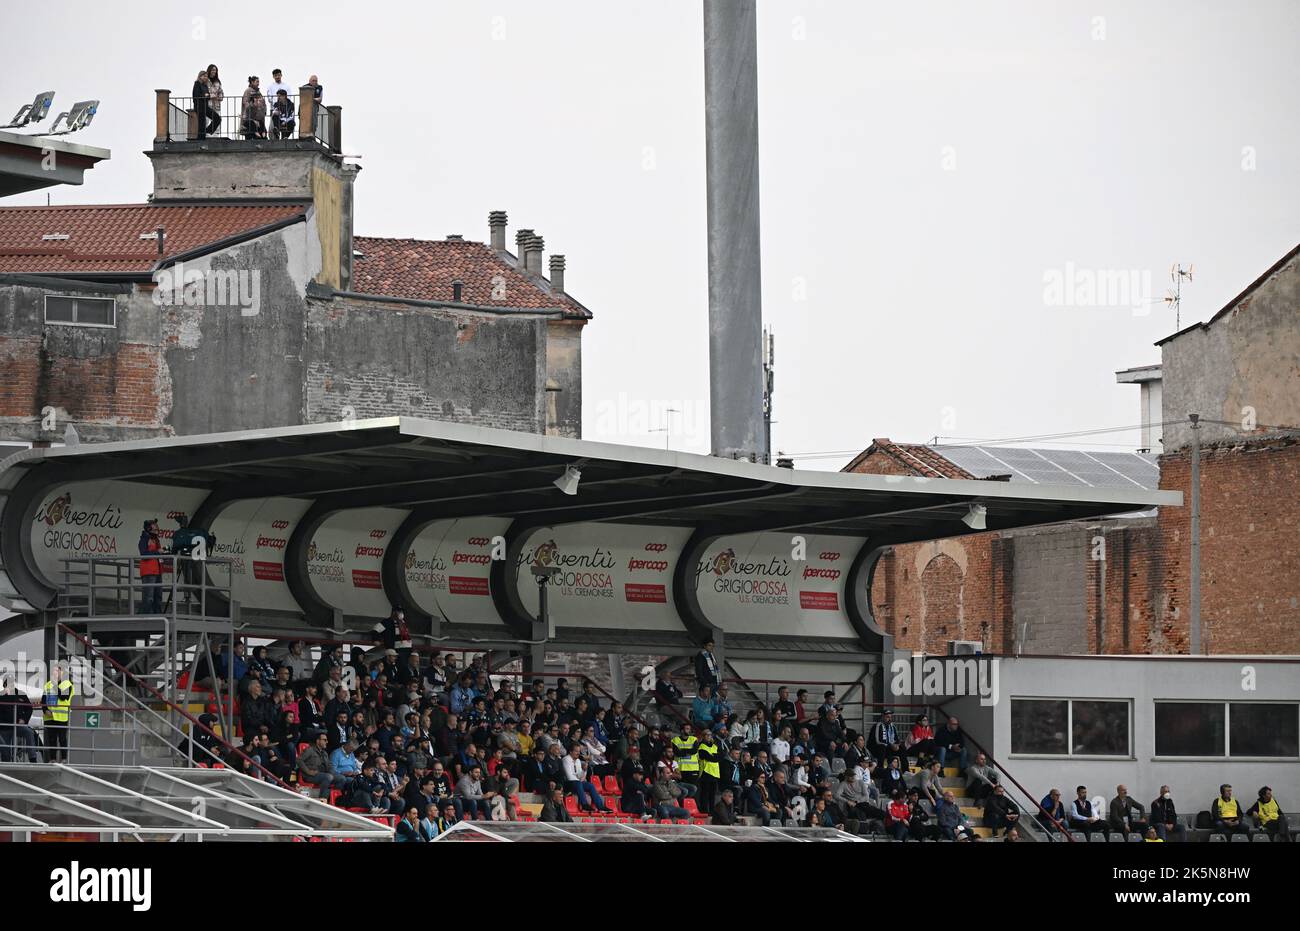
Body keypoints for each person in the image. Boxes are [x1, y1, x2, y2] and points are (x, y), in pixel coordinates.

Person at [42, 663, 74, 762]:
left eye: (56, 670)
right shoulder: (48, 684)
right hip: (49, 717)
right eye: (53, 671)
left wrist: (55, 685)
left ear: (61, 672)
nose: (54, 672)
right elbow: (43, 700)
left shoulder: (67, 684)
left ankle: (64, 758)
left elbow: (64, 697)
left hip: (61, 717)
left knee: (62, 739)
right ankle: (53, 759)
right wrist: (45, 710)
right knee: (51, 739)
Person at [0, 678, 38, 762]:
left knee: (29, 732)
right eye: (9, 682)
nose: (12, 684)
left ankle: (33, 759)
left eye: (13, 682)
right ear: (5, 684)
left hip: (18, 726)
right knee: (5, 751)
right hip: (4, 728)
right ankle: (6, 765)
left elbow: (29, 708)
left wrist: (24, 720)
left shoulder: (21, 694)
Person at [562, 743, 608, 812]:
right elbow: (569, 777)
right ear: (570, 752)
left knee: (590, 785)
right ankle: (584, 805)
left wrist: (584, 770)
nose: (578, 753)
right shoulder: (566, 759)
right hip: (567, 784)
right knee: (579, 783)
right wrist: (580, 781)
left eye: (579, 751)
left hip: (577, 783)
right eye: (576, 751)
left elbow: (581, 777)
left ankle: (600, 806)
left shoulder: (577, 761)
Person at [138, 518, 163, 614]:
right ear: (148, 529)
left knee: (158, 596)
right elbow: (144, 554)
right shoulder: (144, 539)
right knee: (149, 598)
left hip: (157, 571)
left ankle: (158, 617)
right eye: (155, 529)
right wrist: (157, 552)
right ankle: (145, 617)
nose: (157, 531)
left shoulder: (156, 540)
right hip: (149, 572)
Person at [695, 728, 721, 815]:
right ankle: (704, 810)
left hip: (715, 773)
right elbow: (708, 757)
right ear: (703, 736)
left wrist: (713, 757)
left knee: (712, 794)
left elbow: (719, 757)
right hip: (706, 772)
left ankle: (712, 810)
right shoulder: (701, 746)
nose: (709, 737)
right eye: (707, 735)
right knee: (705, 793)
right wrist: (714, 757)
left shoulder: (714, 746)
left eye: (710, 735)